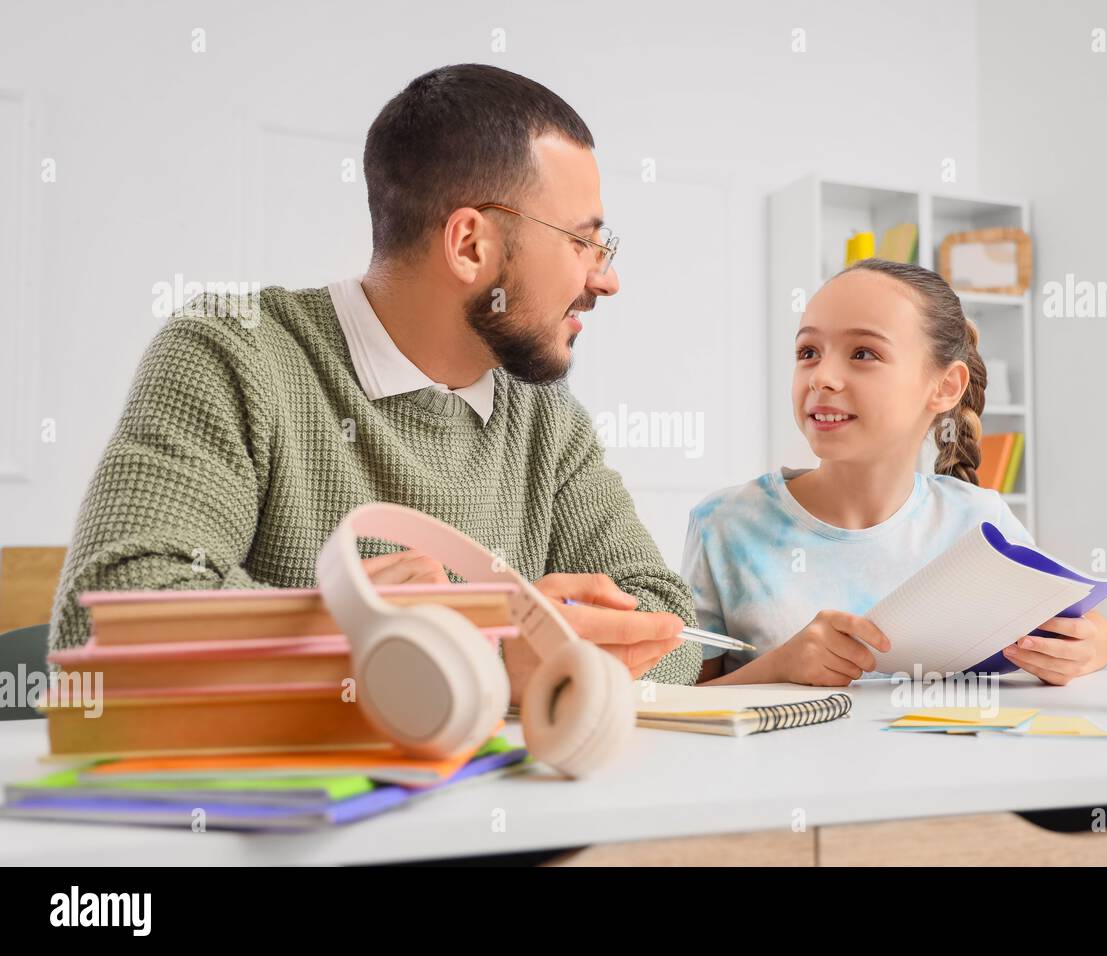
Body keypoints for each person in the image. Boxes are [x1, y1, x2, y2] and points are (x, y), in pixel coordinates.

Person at [48, 64, 701, 698]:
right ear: (470, 245)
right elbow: (99, 630)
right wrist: (484, 651)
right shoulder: (231, 353)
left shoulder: (544, 417)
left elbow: (676, 630)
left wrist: (525, 646)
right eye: (583, 242)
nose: (606, 278)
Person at [682, 258, 1107, 687]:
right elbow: (681, 704)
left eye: (863, 353)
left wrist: (1091, 646)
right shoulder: (725, 524)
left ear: (944, 387)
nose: (823, 378)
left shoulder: (981, 521)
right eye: (808, 352)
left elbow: (1080, 626)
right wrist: (778, 669)